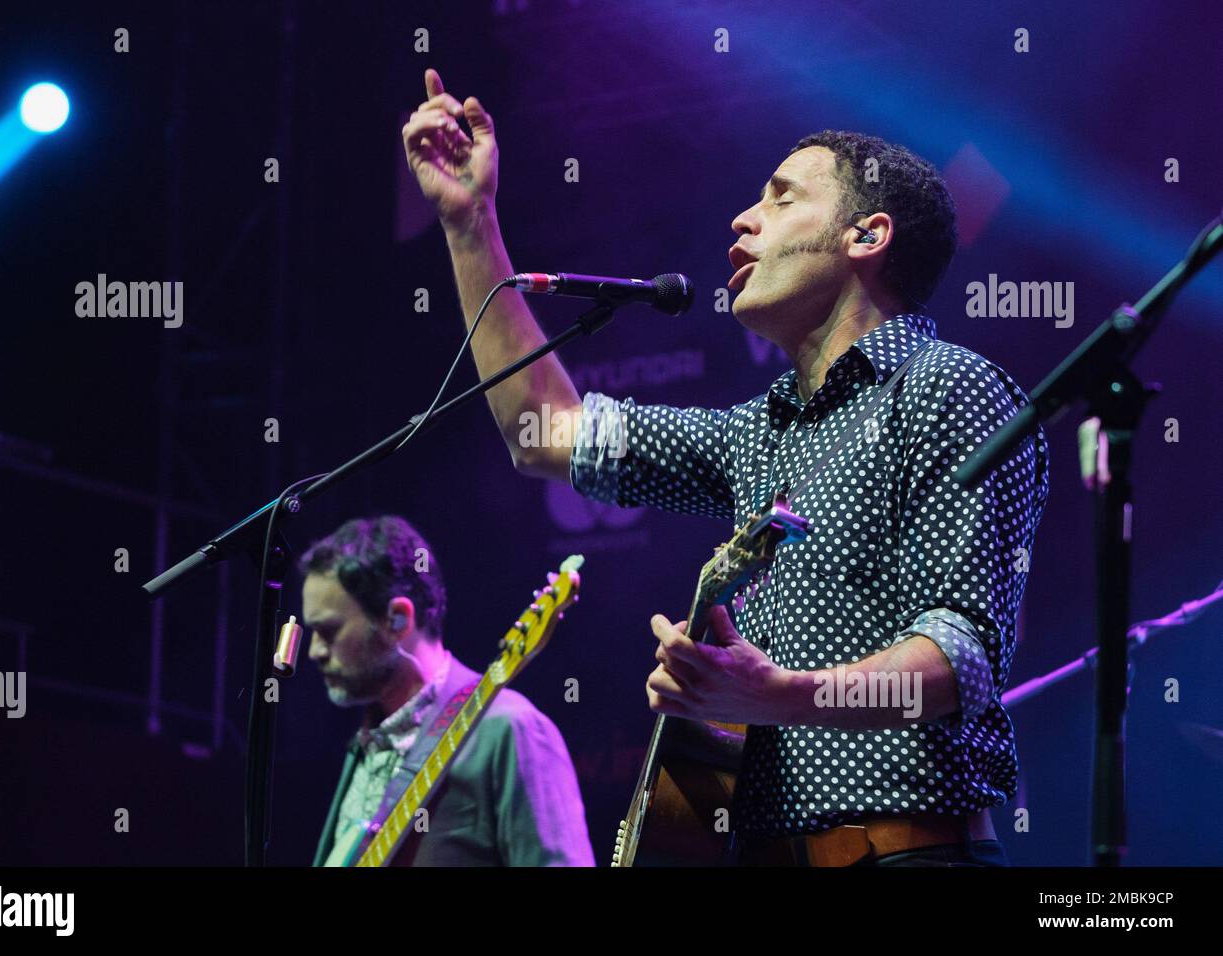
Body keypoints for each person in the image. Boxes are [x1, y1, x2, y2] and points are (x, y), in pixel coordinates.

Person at [401, 68, 1049, 866]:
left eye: (781, 197)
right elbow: (547, 432)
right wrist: (471, 224)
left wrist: (770, 695)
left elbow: (964, 662)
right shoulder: (758, 433)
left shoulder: (950, 386)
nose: (743, 219)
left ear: (867, 236)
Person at [301, 514, 594, 866]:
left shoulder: (509, 728)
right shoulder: (365, 745)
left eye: (328, 630)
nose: (314, 651)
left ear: (397, 619)